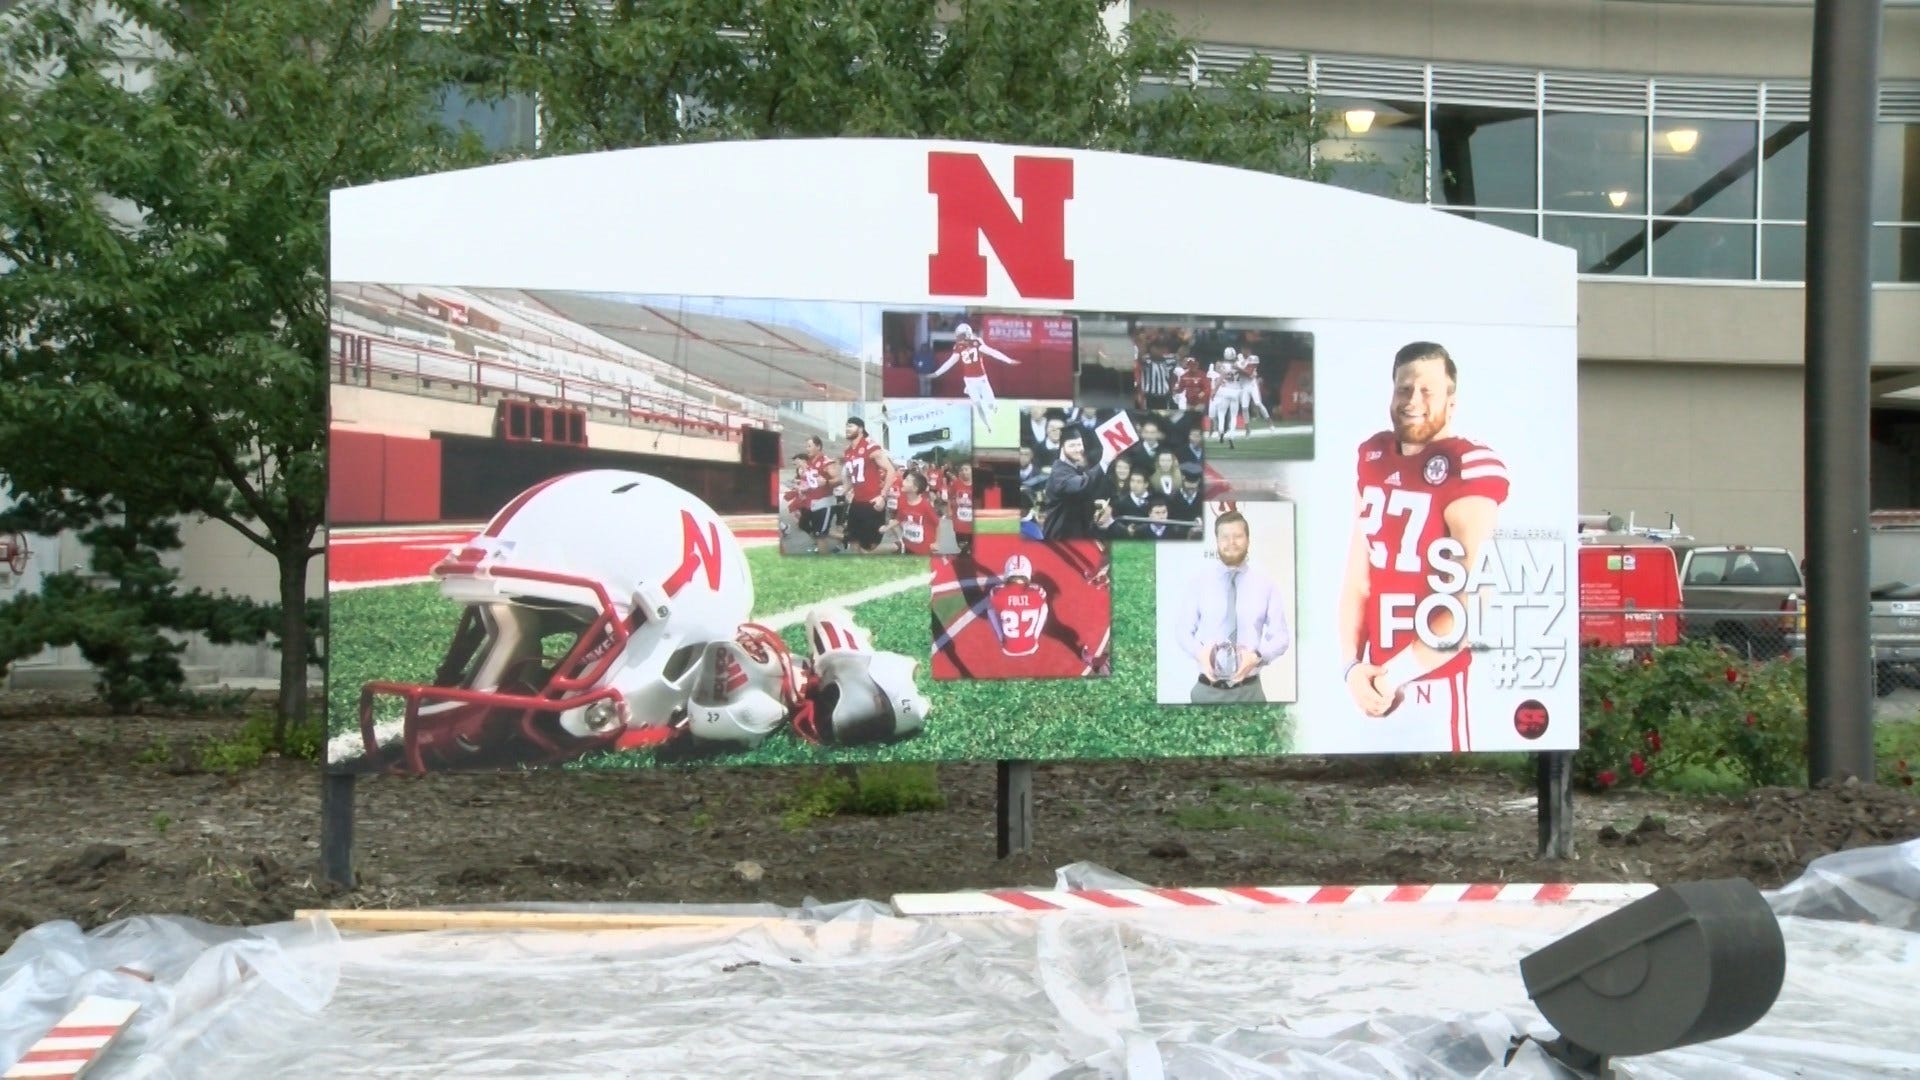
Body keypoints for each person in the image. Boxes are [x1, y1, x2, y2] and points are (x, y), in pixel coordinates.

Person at [1336, 341, 1509, 752]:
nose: (1413, 400)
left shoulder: (1468, 464)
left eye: (1428, 390)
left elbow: (1470, 607)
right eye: (1404, 389)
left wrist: (1392, 675)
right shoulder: (1373, 456)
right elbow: (1358, 579)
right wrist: (1351, 668)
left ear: (1452, 400)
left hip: (1435, 684)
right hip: (1371, 682)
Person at [1175, 510, 1291, 703]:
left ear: (1248, 540)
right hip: (1205, 693)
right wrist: (1199, 652)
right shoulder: (1199, 584)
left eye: (1238, 536)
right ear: (1217, 542)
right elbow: (1182, 631)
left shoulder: (1266, 586)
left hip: (1251, 694)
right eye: (1225, 537)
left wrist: (1258, 656)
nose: (1231, 542)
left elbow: (1281, 637)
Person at [928, 321, 1019, 427]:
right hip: (969, 380)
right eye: (959, 336)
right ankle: (988, 426)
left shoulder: (976, 343)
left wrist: (1008, 360)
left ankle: (991, 407)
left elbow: (992, 352)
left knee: (991, 406)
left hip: (981, 378)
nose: (960, 339)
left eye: (961, 336)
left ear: (967, 334)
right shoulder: (958, 346)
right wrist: (937, 373)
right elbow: (950, 362)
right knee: (978, 406)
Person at [839, 416, 898, 553]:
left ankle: (897, 547)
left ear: (860, 429)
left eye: (851, 426)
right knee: (853, 539)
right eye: (846, 426)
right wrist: (845, 490)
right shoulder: (847, 451)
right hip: (856, 503)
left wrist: (882, 496)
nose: (847, 429)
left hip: (872, 502)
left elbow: (891, 470)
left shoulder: (871, 447)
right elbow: (851, 475)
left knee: (869, 547)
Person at [1041, 430, 1112, 540]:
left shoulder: (1075, 469)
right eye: (1072, 445)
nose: (1077, 449)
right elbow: (1079, 486)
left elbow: (1075, 499)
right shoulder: (1059, 473)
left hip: (1077, 535)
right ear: (1062, 448)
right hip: (1061, 538)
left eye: (1079, 444)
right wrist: (1104, 463)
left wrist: (1095, 506)